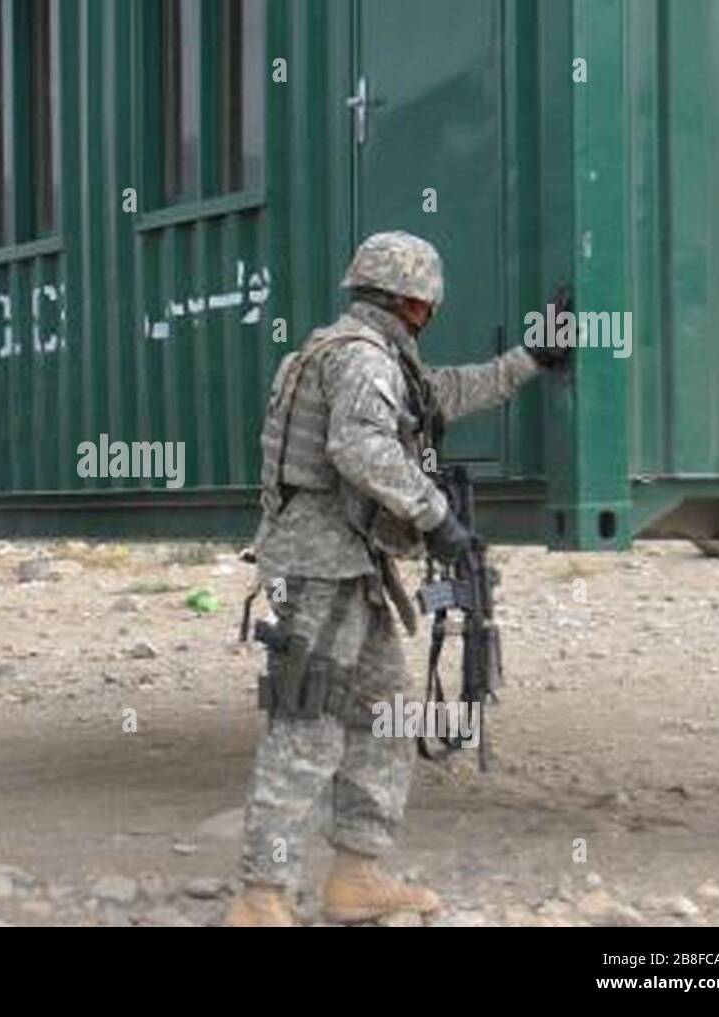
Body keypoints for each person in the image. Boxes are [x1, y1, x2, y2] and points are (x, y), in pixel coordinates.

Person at [225, 231, 571, 926]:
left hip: (351, 568)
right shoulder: (359, 361)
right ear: (417, 301)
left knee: (384, 711)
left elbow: (441, 394)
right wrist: (436, 515)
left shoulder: (370, 356)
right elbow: (359, 447)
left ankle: (356, 872)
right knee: (306, 722)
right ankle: (261, 895)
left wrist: (531, 357)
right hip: (319, 571)